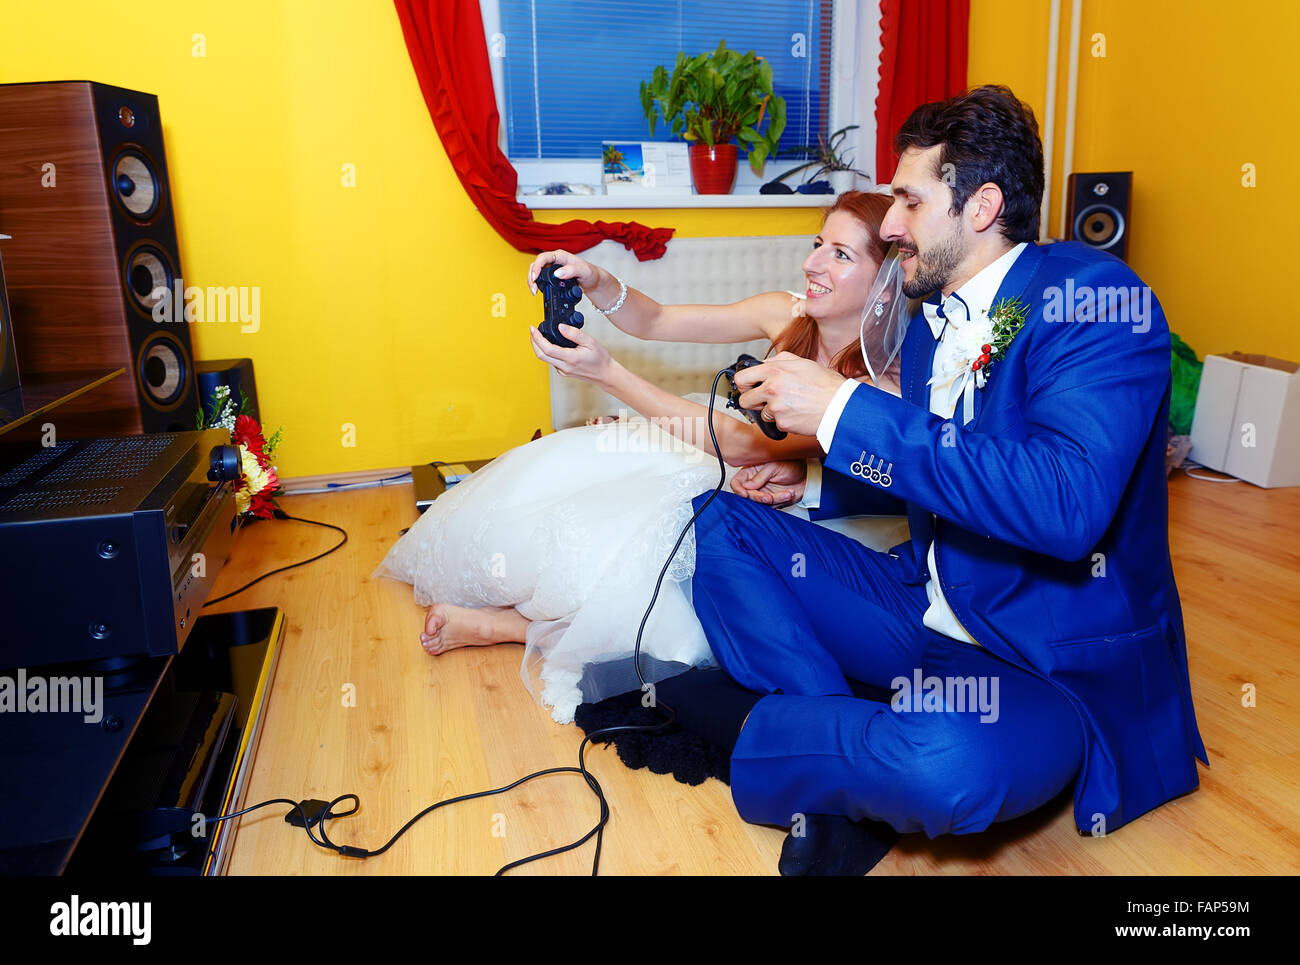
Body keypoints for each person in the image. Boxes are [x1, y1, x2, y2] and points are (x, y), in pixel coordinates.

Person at [663, 85, 1207, 875]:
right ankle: (841, 750)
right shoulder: (925, 333)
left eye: (910, 201)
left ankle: (758, 725)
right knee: (713, 523)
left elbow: (1065, 503)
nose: (889, 225)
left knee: (948, 766)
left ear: (980, 206)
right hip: (926, 606)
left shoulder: (1097, 300)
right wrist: (811, 485)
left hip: (1044, 659)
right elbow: (944, 476)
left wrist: (845, 409)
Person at [374, 192, 913, 723]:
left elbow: (747, 445)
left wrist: (609, 375)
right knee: (580, 467)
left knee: (655, 563)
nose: (811, 262)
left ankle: (508, 626)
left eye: (840, 255)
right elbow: (657, 320)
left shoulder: (877, 387)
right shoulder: (785, 313)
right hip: (718, 450)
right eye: (818, 244)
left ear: (886, 284)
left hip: (772, 495)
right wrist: (600, 281)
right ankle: (518, 608)